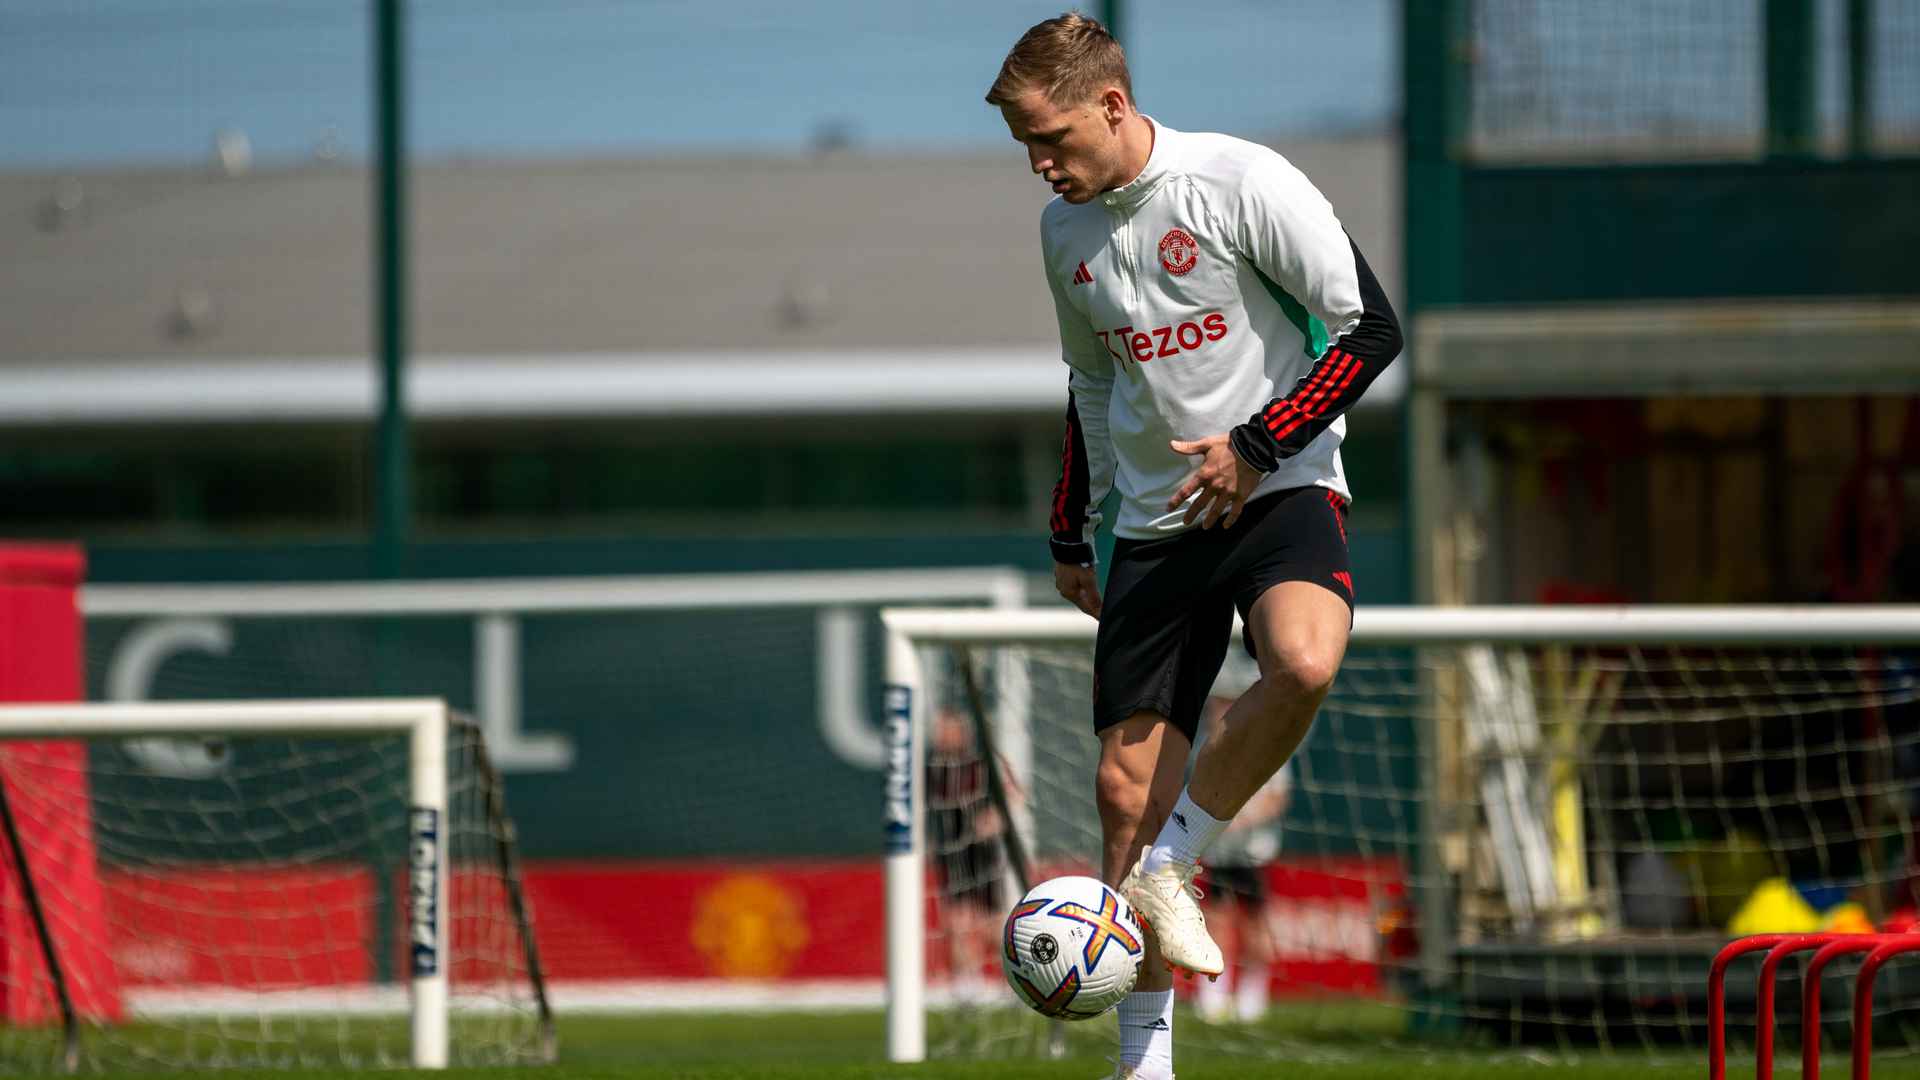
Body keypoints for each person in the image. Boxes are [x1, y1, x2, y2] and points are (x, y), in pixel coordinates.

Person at [985, 13, 1402, 1077]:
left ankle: (1177, 865)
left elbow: (1371, 328)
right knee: (1125, 792)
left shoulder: (1239, 179)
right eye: (1024, 145)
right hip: (1156, 523)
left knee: (1305, 658)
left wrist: (1261, 444)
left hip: (1279, 483)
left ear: (1112, 105)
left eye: (1053, 138)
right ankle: (1146, 1060)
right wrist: (1069, 526)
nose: (1040, 164)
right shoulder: (1062, 233)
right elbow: (1089, 387)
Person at [1191, 653, 1291, 1025]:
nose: (1220, 709)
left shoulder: (1266, 745)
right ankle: (1214, 992)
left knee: (1254, 926)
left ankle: (1253, 992)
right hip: (1217, 851)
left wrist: (1237, 819)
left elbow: (1277, 797)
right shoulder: (1201, 747)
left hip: (1253, 853)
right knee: (1213, 921)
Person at [926, 707, 1010, 1004]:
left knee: (992, 925)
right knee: (957, 921)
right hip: (951, 853)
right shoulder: (931, 768)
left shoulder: (980, 765)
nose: (941, 735)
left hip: (983, 854)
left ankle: (1013, 979)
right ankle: (966, 982)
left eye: (947, 728)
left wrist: (995, 818)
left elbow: (1011, 793)